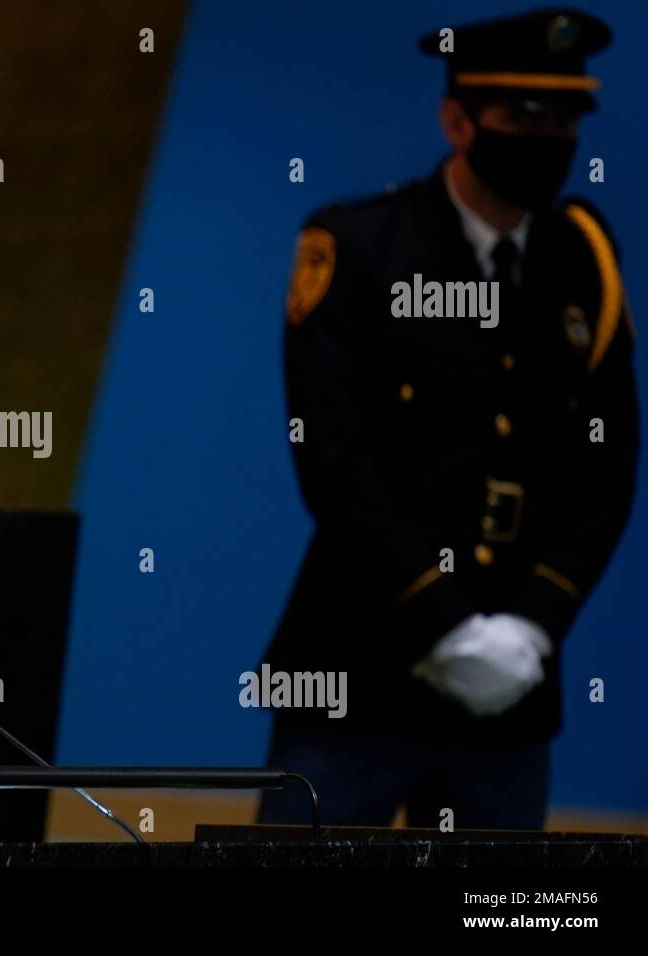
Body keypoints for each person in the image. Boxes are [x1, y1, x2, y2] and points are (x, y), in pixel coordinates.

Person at [257, 8, 638, 829]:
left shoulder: (585, 258)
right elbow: (333, 458)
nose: (547, 137)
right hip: (358, 672)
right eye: (521, 118)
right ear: (457, 119)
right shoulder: (358, 245)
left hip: (512, 696)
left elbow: (606, 468)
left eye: (564, 120)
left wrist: (533, 628)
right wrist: (446, 622)